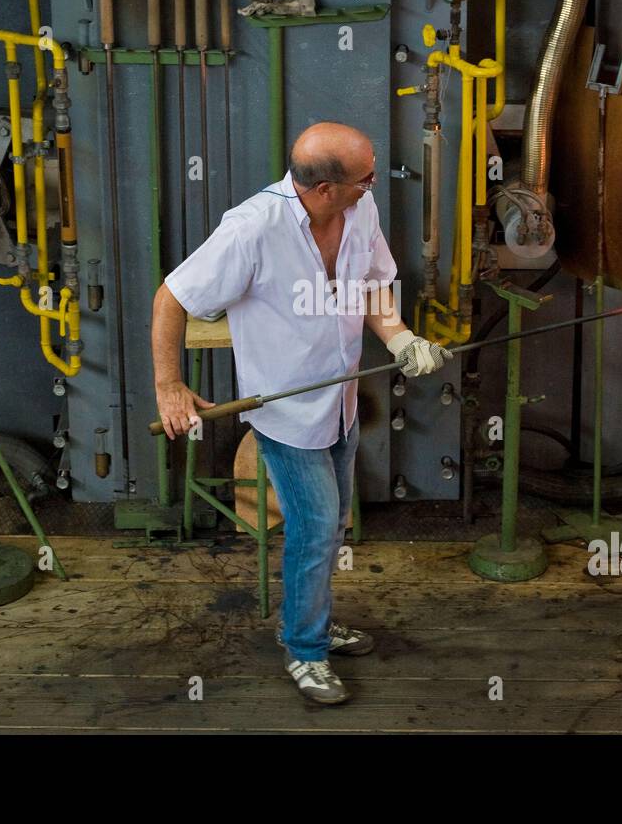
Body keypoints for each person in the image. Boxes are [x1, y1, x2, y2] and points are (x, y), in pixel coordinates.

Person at [151, 122, 451, 705]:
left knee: (332, 525)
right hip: (286, 412)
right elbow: (172, 298)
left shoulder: (357, 210)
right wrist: (170, 385)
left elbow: (372, 284)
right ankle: (305, 650)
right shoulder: (252, 228)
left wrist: (400, 340)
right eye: (364, 179)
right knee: (316, 530)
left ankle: (311, 619)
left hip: (339, 401)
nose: (373, 185)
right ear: (322, 189)